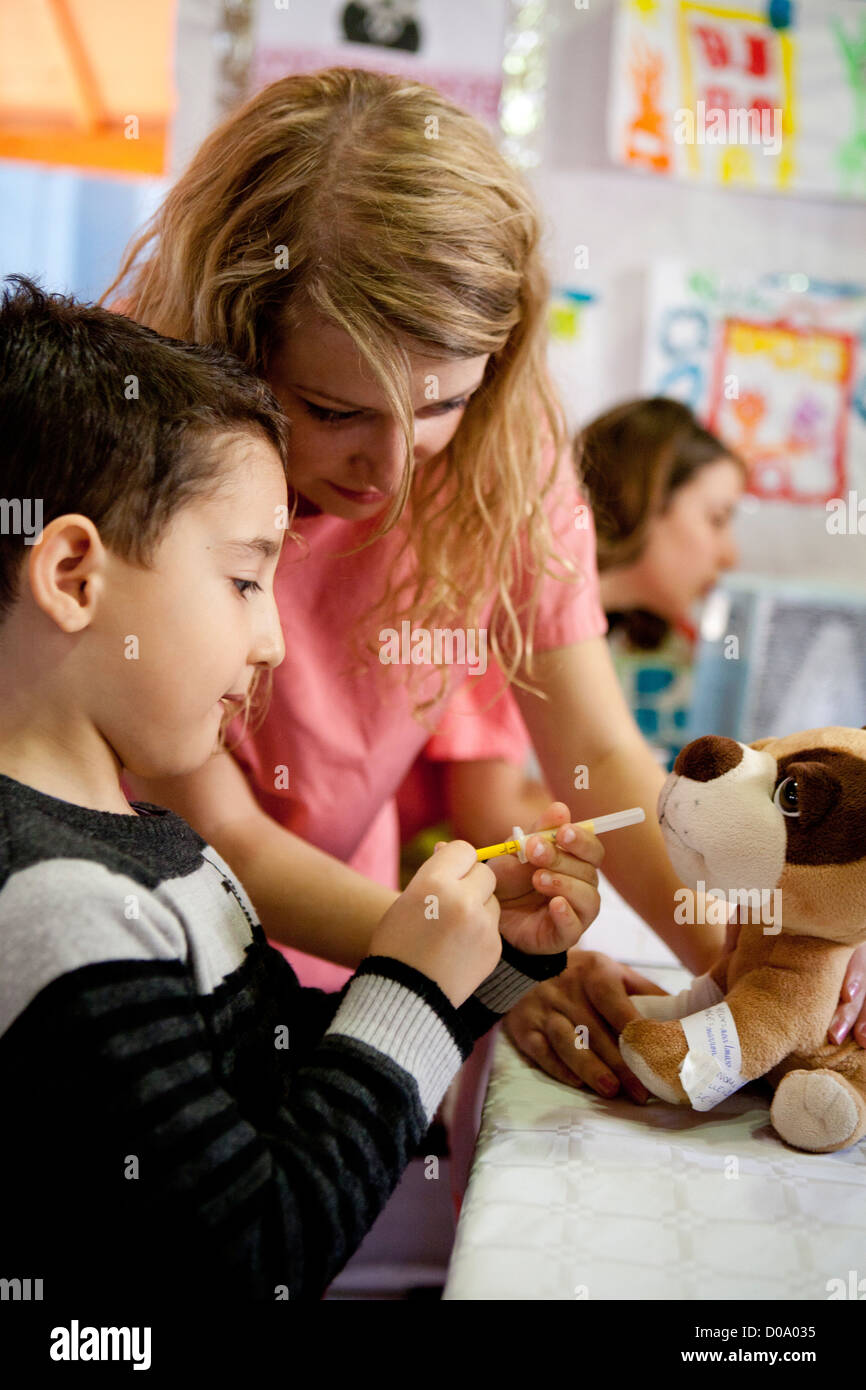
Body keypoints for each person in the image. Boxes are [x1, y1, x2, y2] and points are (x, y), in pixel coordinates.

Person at [104, 68, 866, 1109]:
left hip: (356, 937)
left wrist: (765, 959)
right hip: (141, 949)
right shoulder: (135, 449)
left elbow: (596, 756)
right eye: (332, 410)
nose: (396, 467)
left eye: (440, 404)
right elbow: (224, 835)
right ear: (230, 337)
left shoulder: (508, 453)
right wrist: (483, 968)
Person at [0, 277, 607, 1302]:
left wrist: (492, 963)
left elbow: (300, 1092)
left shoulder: (150, 845)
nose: (273, 640)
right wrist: (412, 980)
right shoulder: (58, 907)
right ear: (72, 575)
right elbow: (258, 1253)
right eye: (244, 580)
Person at [398, 396, 746, 851]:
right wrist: (651, 808)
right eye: (716, 519)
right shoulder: (518, 603)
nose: (730, 555)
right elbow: (489, 818)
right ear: (647, 497)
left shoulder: (591, 639)